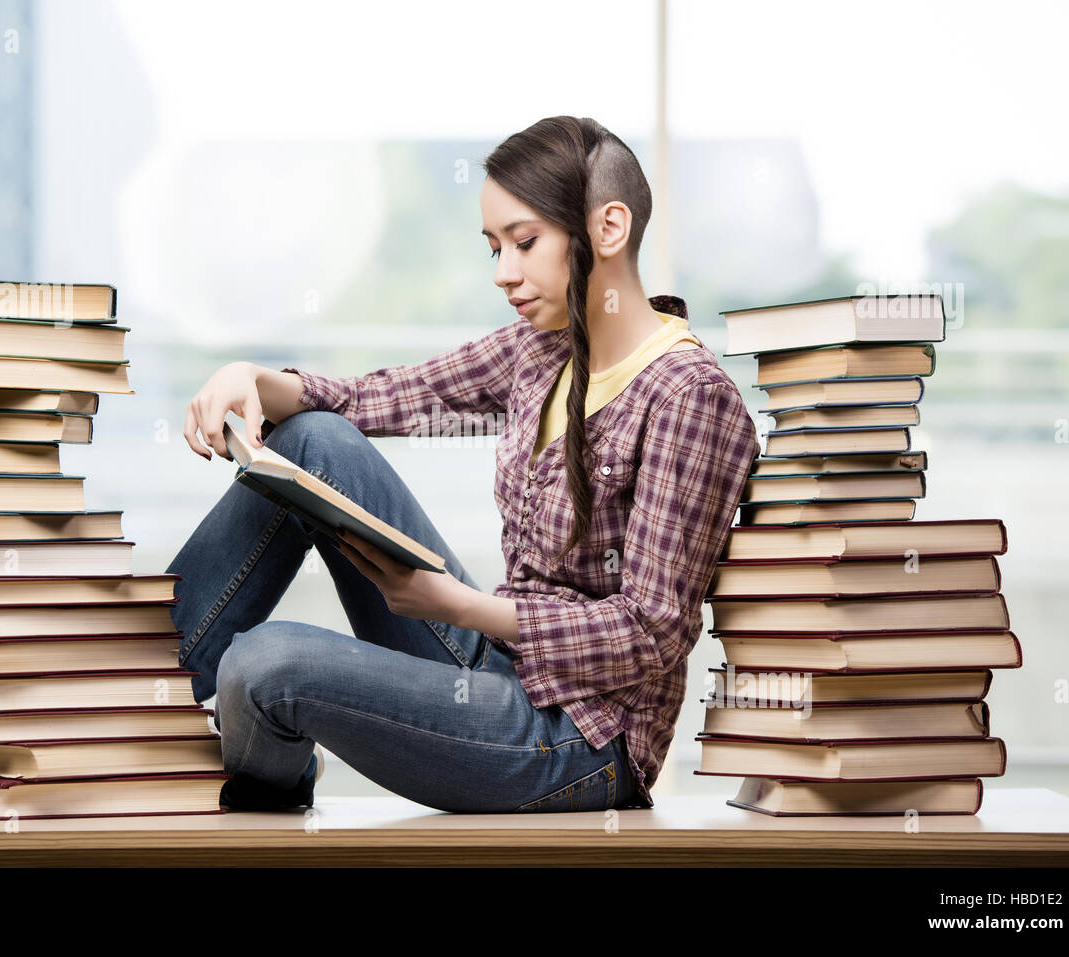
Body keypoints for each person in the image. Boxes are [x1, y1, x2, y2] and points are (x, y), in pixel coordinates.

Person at [168, 115, 761, 813]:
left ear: (608, 229)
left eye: (525, 242)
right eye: (494, 248)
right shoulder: (543, 346)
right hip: (493, 662)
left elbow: (649, 634)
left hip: (578, 737)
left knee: (264, 664)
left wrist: (459, 606)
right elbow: (385, 397)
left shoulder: (690, 398)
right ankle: (116, 694)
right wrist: (253, 377)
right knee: (314, 440)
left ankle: (270, 755)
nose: (505, 273)